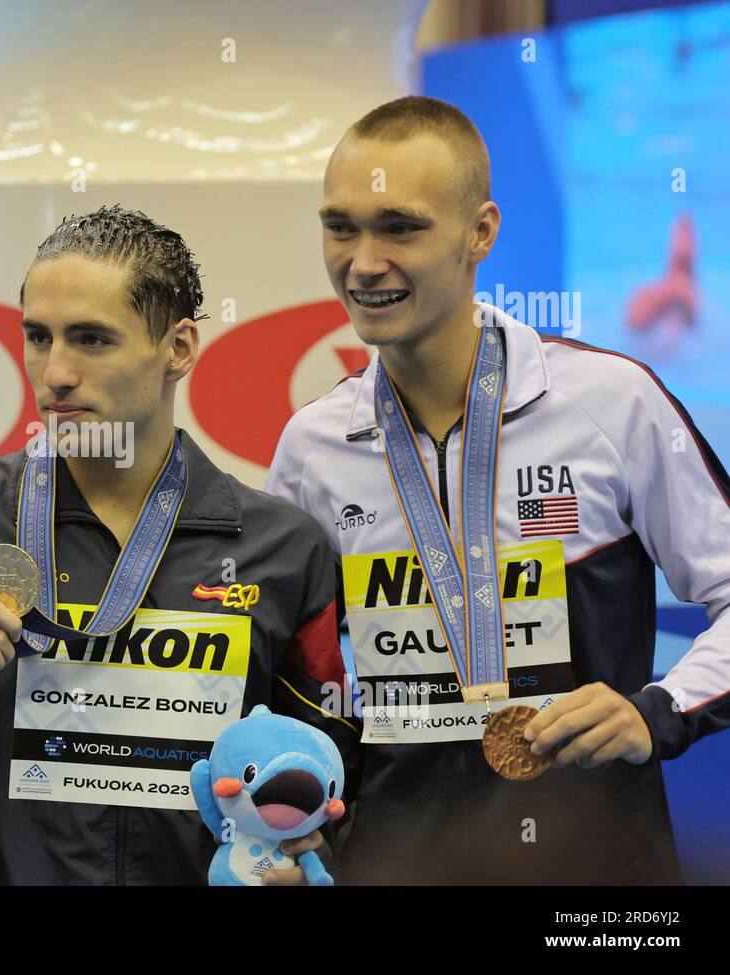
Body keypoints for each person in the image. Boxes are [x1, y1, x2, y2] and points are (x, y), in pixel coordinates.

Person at [0, 205, 356, 884]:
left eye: (91, 339)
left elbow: (331, 787)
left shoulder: (282, 550)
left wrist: (307, 862)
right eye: (37, 337)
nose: (54, 372)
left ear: (178, 348)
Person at [266, 95, 730, 884]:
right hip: (393, 866)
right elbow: (284, 671)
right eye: (340, 226)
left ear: (481, 231)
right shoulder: (312, 445)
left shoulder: (610, 401)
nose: (363, 260)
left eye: (401, 227)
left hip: (592, 872)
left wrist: (655, 711)